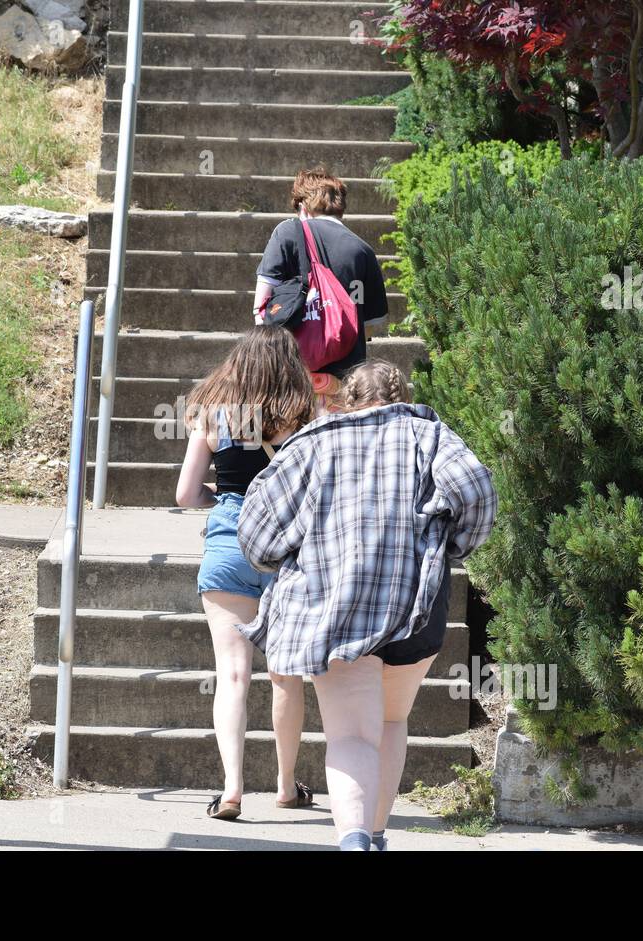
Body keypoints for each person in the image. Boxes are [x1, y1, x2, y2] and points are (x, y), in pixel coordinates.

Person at [236, 360, 497, 850]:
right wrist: (450, 543)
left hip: (334, 606)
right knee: (392, 721)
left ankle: (354, 841)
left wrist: (287, 552)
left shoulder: (311, 443)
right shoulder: (431, 436)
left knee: (351, 734)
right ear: (402, 395)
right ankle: (377, 836)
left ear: (347, 398)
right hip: (416, 605)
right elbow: (478, 489)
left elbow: (255, 532)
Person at [175, 326, 317, 819]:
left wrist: (227, 502)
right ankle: (284, 785)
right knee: (286, 676)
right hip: (285, 550)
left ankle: (232, 788)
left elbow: (186, 494)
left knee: (232, 674)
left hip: (229, 544)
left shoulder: (212, 415)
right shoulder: (300, 419)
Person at [252, 167, 389, 411]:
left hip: (292, 378)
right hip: (344, 385)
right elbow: (370, 323)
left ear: (302, 207)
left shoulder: (287, 232)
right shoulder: (362, 250)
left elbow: (261, 310)